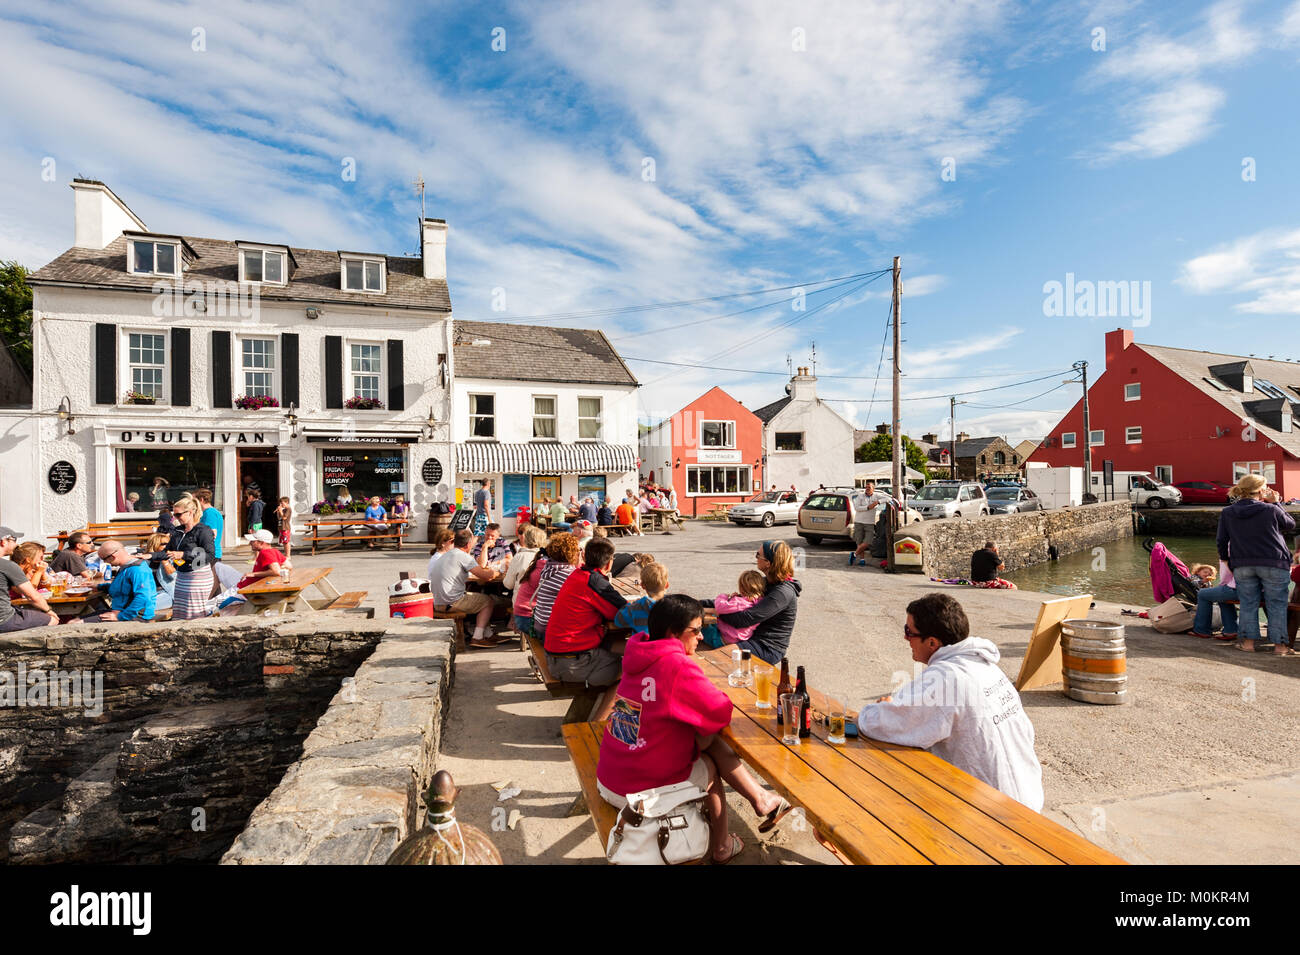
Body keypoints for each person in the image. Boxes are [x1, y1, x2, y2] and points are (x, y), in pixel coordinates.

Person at [597, 594, 791, 863]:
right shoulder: (675, 665)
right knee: (708, 766)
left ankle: (761, 799)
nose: (701, 637)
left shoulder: (638, 654)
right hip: (634, 792)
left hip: (610, 775)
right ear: (673, 633)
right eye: (696, 630)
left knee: (707, 743)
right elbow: (720, 711)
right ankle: (722, 846)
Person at [856, 593, 1045, 811]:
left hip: (994, 812)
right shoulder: (986, 667)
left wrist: (883, 707)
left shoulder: (946, 678)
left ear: (932, 642)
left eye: (909, 632)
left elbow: (878, 723)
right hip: (1028, 798)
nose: (905, 638)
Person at [1217, 474, 1297, 656]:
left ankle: (1248, 644)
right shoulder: (1270, 509)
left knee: (1248, 604)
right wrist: (1276, 502)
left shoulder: (1228, 512)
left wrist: (1225, 560)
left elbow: (1222, 540)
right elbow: (1290, 525)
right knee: (1277, 604)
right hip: (1274, 562)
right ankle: (1280, 647)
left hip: (1243, 564)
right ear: (1261, 490)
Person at [543, 537, 628, 691]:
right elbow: (624, 613)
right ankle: (604, 713)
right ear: (609, 563)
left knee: (615, 647)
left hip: (554, 657)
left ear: (583, 556)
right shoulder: (595, 582)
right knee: (631, 666)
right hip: (572, 663)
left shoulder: (577, 575)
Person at [704, 540, 800, 665]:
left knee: (718, 657)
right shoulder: (767, 582)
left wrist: (718, 611)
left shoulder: (782, 593)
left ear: (768, 563)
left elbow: (745, 619)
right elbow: (735, 603)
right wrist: (695, 603)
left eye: (758, 555)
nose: (756, 558)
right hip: (751, 637)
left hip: (767, 647)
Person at [430, 528, 509, 648]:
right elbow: (486, 576)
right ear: (468, 544)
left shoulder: (445, 555)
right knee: (488, 601)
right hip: (451, 602)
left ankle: (488, 634)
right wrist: (498, 573)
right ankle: (477, 637)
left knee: (480, 598)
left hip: (438, 602)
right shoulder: (463, 556)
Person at [167, 497, 217, 620]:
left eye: (178, 514)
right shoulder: (178, 530)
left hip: (198, 575)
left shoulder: (203, 530)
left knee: (194, 613)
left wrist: (183, 555)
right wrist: (150, 555)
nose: (175, 518)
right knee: (181, 611)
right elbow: (168, 550)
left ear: (190, 513)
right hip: (182, 575)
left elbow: (210, 555)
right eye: (174, 514)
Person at [82, 541, 155, 623]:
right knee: (77, 620)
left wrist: (120, 616)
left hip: (134, 617)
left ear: (113, 556)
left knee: (77, 623)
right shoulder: (125, 567)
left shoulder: (138, 569)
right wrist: (99, 586)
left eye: (104, 559)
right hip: (121, 612)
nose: (105, 563)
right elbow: (122, 587)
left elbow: (143, 597)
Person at [0, 528, 58, 630]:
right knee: (53, 619)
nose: (16, 545)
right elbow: (32, 596)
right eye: (14, 540)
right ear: (3, 542)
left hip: (6, 615)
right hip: (4, 620)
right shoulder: (8, 566)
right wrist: (49, 611)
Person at [531, 532, 582, 641]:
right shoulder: (568, 575)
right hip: (551, 630)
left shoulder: (549, 568)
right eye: (578, 550)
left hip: (540, 625)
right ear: (572, 553)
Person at [704, 569, 768, 648]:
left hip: (722, 639)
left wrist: (724, 596)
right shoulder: (759, 602)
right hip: (739, 639)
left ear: (741, 587)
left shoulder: (739, 602)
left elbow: (719, 607)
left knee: (701, 628)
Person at [504, 525, 548, 637]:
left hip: (523, 608)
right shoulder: (548, 559)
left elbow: (508, 584)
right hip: (544, 609)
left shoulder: (519, 557)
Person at [613, 560, 669, 633]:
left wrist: (629, 605)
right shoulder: (673, 607)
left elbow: (618, 621)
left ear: (642, 586)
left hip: (642, 644)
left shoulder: (635, 607)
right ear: (667, 585)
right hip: (665, 644)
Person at [1190, 560, 1238, 641]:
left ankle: (1201, 630)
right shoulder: (1194, 577)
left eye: (1210, 574)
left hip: (1237, 589)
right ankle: (1231, 629)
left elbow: (1226, 581)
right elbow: (1193, 582)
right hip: (1258, 591)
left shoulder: (1228, 558)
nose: (1207, 575)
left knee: (1205, 594)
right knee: (1218, 595)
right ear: (1198, 572)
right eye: (1205, 572)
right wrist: (1202, 582)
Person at [850, 481, 890, 566]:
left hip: (870, 522)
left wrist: (877, 502)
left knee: (869, 541)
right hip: (859, 521)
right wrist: (868, 507)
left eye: (869, 487)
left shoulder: (876, 496)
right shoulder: (860, 495)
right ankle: (862, 560)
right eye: (866, 487)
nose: (867, 489)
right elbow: (857, 508)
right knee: (859, 541)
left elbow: (888, 498)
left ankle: (854, 554)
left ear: (873, 489)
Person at [142, 532, 176, 612]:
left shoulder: (173, 559)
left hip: (167, 592)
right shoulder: (144, 561)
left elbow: (174, 577)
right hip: (148, 593)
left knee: (148, 606)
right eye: (164, 544)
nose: (167, 546)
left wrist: (164, 560)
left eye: (169, 544)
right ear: (154, 545)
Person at [194, 488, 224, 561]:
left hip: (210, 554)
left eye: (195, 501)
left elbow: (212, 534)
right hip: (211, 553)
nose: (193, 504)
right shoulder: (210, 512)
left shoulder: (209, 513)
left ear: (201, 499)